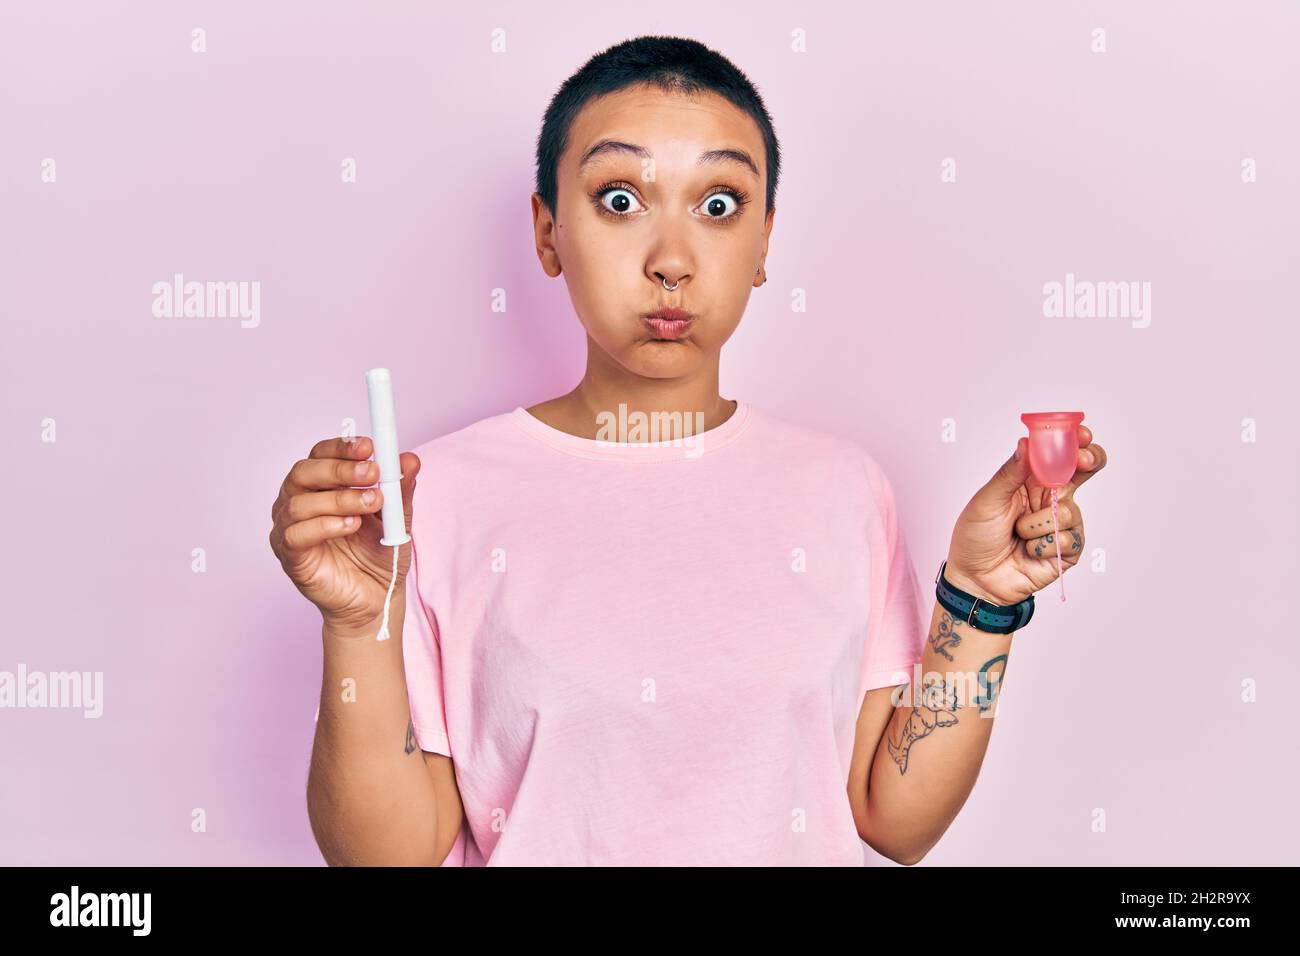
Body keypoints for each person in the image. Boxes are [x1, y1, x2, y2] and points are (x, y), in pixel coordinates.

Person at [268, 35, 1108, 866]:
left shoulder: (844, 490)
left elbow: (895, 819)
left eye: (718, 205)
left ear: (766, 241)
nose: (671, 262)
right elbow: (387, 857)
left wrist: (981, 601)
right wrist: (355, 624)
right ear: (547, 231)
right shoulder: (434, 498)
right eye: (620, 199)